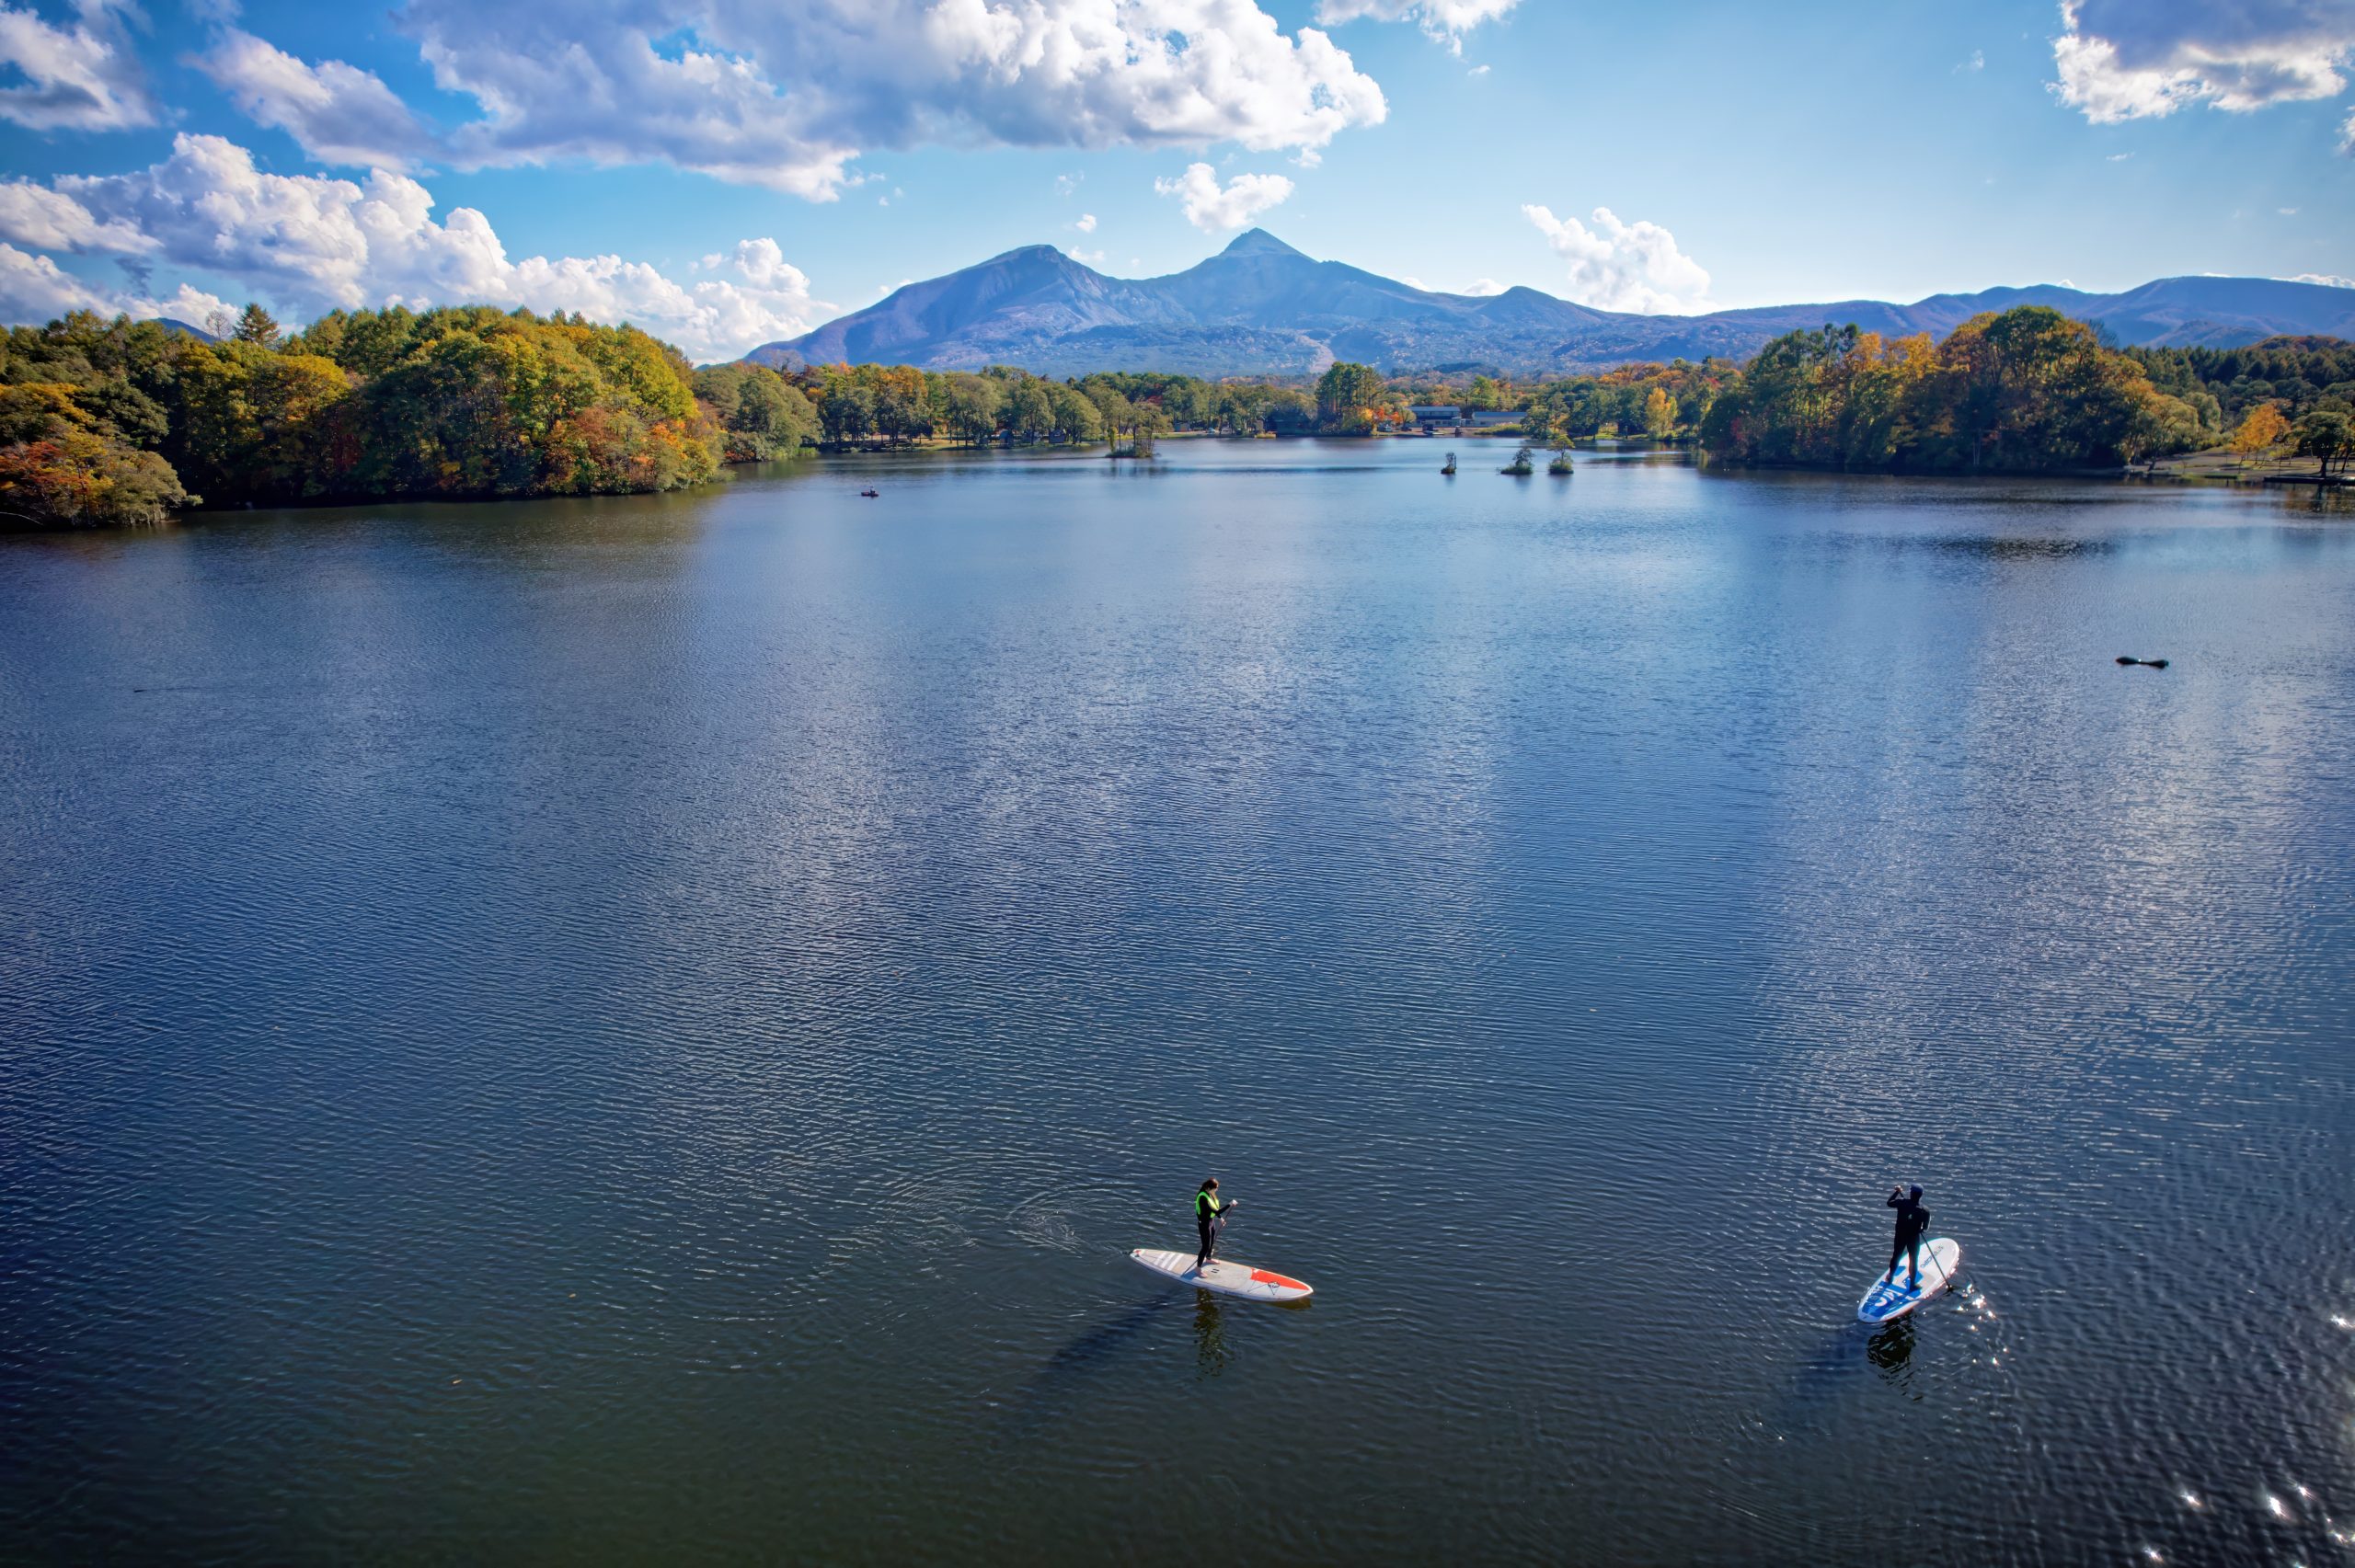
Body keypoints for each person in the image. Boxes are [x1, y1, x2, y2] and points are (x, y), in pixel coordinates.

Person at [1885, 1185, 1930, 1288]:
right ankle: (1912, 1284)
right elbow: (1925, 1228)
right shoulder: (1925, 1210)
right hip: (1913, 1238)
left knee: (1896, 1256)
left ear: (1911, 1193)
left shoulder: (1902, 1203)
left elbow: (1889, 1203)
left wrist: (1897, 1192)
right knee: (1913, 1259)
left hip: (1900, 1236)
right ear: (1921, 1195)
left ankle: (1890, 1277)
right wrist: (1921, 1229)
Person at [1194, 1178, 1236, 1271]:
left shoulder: (1210, 1194)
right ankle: (1198, 1268)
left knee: (1212, 1241)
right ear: (1209, 1188)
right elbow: (1217, 1210)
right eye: (1215, 1188)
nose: (1216, 1190)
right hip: (1204, 1224)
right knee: (1205, 1247)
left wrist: (1220, 1218)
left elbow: (1213, 1210)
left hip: (1210, 1221)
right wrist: (1230, 1204)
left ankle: (1208, 1259)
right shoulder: (1202, 1198)